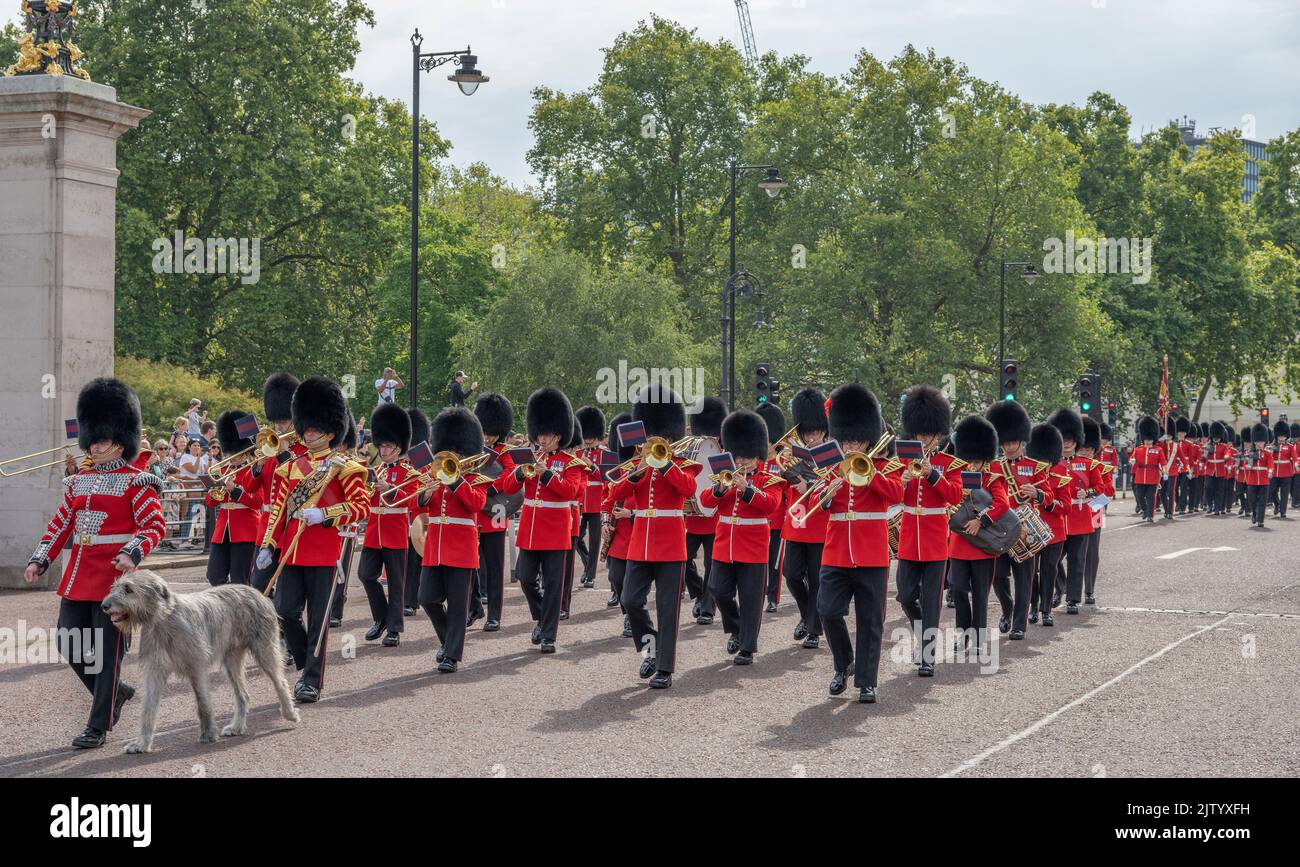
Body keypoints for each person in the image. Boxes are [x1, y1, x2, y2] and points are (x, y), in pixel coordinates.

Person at [24, 378, 167, 749]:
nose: (96, 444)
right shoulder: (79, 482)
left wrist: (131, 553)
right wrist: (41, 559)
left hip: (115, 580)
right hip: (78, 577)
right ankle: (115, 694)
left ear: (121, 440)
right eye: (94, 439)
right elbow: (59, 525)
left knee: (107, 656)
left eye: (103, 439)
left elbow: (153, 525)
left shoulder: (139, 482)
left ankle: (98, 725)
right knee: (69, 642)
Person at [255, 377, 370, 703]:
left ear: (331, 432)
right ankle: (308, 662)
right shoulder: (288, 469)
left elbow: (361, 508)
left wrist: (326, 514)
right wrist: (268, 544)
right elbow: (278, 512)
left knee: (319, 620)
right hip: (291, 552)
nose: (308, 433)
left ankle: (312, 681)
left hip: (322, 552)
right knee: (285, 611)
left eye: (315, 429)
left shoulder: (346, 469)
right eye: (307, 428)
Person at [607, 384, 701, 689]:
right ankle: (651, 650)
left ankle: (664, 668)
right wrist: (636, 472)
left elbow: (688, 488)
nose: (652, 441)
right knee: (631, 601)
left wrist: (665, 464)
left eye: (657, 437)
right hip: (640, 545)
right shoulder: (638, 464)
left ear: (670, 438)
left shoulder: (683, 464)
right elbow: (614, 493)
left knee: (668, 609)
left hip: (671, 545)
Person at [815, 383, 903, 703]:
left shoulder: (882, 466)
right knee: (827, 610)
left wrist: (870, 476)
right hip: (836, 551)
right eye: (846, 438)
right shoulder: (830, 467)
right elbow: (817, 502)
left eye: (856, 439)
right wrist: (828, 491)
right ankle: (844, 664)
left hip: (871, 553)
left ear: (867, 438)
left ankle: (867, 681)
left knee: (870, 620)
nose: (851, 445)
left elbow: (897, 494)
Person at [495, 387, 585, 654]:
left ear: (558, 435)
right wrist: (522, 474)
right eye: (539, 433)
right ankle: (543, 616)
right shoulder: (530, 459)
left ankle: (548, 635)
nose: (541, 438)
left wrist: (546, 475)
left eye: (545, 434)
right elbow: (507, 487)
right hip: (531, 531)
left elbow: (572, 491)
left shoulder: (571, 463)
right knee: (524, 578)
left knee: (554, 585)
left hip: (556, 530)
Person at [700, 409, 783, 665]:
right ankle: (735, 628)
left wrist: (747, 490)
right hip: (725, 544)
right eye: (739, 456)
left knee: (751, 599)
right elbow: (705, 502)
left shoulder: (770, 480)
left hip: (754, 545)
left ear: (757, 456)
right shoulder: (723, 477)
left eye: (748, 457)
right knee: (718, 591)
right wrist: (721, 488)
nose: (743, 461)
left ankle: (747, 647)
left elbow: (771, 505)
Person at [894, 385, 962, 673]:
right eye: (919, 434)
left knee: (932, 599)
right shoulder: (902, 462)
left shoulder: (949, 463)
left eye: (928, 434)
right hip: (909, 536)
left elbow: (956, 496)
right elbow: (892, 495)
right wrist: (905, 480)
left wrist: (933, 474)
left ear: (938, 434)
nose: (923, 439)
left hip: (935, 537)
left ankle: (927, 653)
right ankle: (923, 632)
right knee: (906, 595)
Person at [417, 407, 491, 673]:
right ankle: (449, 642)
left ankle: (451, 655)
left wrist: (456, 480)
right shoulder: (433, 472)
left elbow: (476, 503)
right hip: (435, 544)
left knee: (458, 605)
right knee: (427, 598)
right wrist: (426, 492)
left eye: (458, 452)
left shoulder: (476, 476)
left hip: (462, 544)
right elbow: (420, 507)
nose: (453, 456)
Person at [946, 415, 1010, 659]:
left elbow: (1002, 504)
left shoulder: (992, 473)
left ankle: (979, 637)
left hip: (982, 544)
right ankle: (963, 634)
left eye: (976, 459)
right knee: (959, 589)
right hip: (960, 543)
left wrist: (981, 520)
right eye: (969, 459)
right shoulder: (957, 471)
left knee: (981, 593)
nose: (972, 464)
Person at [356, 402, 414, 646]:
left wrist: (389, 490)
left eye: (388, 446)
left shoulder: (408, 473)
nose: (384, 449)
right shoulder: (374, 470)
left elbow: (410, 500)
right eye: (381, 445)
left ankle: (394, 629)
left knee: (396, 583)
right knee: (366, 575)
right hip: (373, 532)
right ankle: (380, 618)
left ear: (398, 447)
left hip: (394, 531)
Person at [249, 372, 309, 594]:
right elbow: (251, 488)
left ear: (294, 420)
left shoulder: (304, 451)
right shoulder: (268, 449)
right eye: (277, 421)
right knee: (258, 585)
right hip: (267, 526)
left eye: (283, 421)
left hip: (288, 527)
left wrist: (284, 455)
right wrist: (257, 466)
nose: (279, 427)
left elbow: (301, 484)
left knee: (286, 592)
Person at [781, 388, 830, 650]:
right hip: (797, 522)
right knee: (791, 575)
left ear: (823, 430)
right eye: (807, 432)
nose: (811, 436)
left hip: (820, 524)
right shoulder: (793, 450)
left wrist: (807, 487)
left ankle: (813, 629)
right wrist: (787, 473)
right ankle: (805, 614)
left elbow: (831, 487)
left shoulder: (832, 454)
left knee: (816, 578)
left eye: (815, 431)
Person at [471, 392, 517, 631]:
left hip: (495, 514)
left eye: (489, 433)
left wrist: (489, 487)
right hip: (475, 512)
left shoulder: (506, 451)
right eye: (484, 432)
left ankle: (494, 615)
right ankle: (475, 605)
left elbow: (510, 476)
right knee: (469, 565)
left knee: (495, 567)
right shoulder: (474, 448)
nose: (487, 437)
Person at [204, 411, 263, 586]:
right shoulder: (222, 470)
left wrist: (236, 490)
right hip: (223, 530)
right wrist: (214, 492)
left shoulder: (253, 469)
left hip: (246, 529)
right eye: (230, 452)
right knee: (214, 576)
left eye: (236, 452)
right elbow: (210, 502)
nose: (232, 456)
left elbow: (257, 501)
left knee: (240, 579)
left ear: (245, 452)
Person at [684, 396, 726, 624]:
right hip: (692, 519)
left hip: (714, 518)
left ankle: (708, 609)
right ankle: (700, 593)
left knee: (712, 566)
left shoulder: (723, 452)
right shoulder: (692, 450)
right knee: (681, 560)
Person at [601, 412, 636, 638]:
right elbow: (607, 499)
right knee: (615, 576)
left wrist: (631, 513)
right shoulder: (619, 471)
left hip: (640, 531)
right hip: (620, 534)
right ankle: (628, 613)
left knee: (633, 583)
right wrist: (605, 520)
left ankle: (632, 617)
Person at [574, 405, 607, 590]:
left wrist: (592, 467)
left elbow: (606, 476)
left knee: (595, 542)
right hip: (581, 502)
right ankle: (587, 564)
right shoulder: (578, 453)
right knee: (577, 539)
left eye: (590, 436)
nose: (587, 440)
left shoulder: (604, 455)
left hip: (597, 502)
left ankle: (591, 575)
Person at [1130, 416, 1163, 522]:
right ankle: (1144, 510)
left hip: (1153, 476)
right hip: (1140, 476)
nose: (1148, 441)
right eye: (1146, 439)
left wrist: (1164, 472)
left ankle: (1150, 515)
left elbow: (1163, 462)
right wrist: (1132, 461)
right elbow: (1132, 459)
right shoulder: (1138, 449)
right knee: (1140, 496)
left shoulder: (1158, 449)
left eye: (1150, 439)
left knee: (1150, 497)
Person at [1244, 422, 1274, 527]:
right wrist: (1248, 464)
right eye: (1257, 441)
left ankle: (1260, 520)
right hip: (1252, 479)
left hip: (1264, 480)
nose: (1259, 443)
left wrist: (1270, 471)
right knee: (1251, 499)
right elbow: (1245, 465)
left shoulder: (1267, 453)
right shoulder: (1249, 453)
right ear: (1254, 441)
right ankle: (1254, 514)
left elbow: (1270, 463)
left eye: (1261, 441)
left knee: (1262, 500)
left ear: (1264, 442)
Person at [1269, 420, 1293, 518]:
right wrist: (1271, 450)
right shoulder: (1272, 446)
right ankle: (1277, 504)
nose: (1282, 437)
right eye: (1280, 435)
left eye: (1283, 435)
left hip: (1286, 472)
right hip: (1275, 472)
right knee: (1272, 490)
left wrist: (1295, 464)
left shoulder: (1290, 446)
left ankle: (1283, 511)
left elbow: (1293, 457)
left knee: (1284, 493)